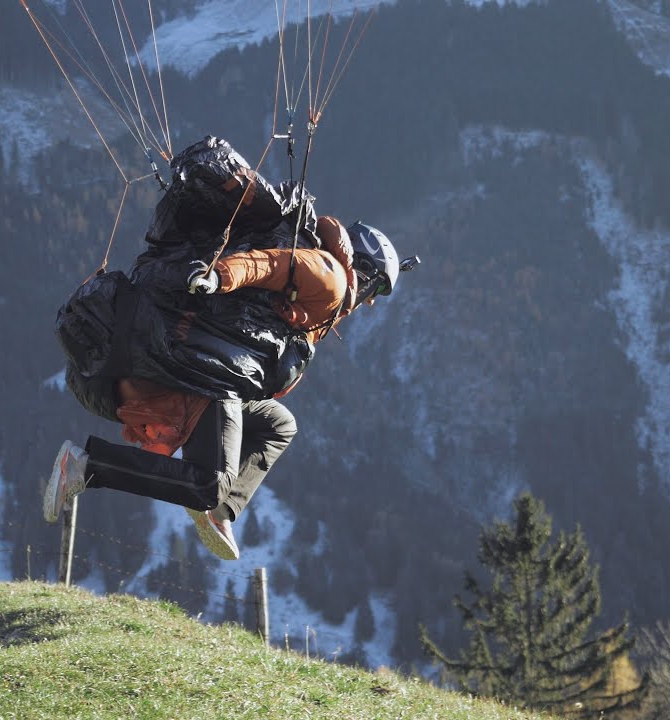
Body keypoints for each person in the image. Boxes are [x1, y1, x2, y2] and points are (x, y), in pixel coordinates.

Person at [46, 138, 413, 560]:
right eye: (374, 290)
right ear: (364, 271)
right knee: (204, 483)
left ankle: (219, 510)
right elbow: (269, 265)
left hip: (216, 367)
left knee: (278, 425)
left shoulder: (320, 311)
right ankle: (85, 466)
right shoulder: (330, 278)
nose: (367, 301)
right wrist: (220, 277)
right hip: (211, 370)